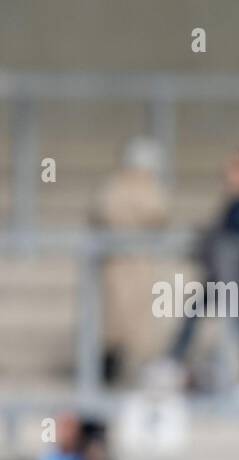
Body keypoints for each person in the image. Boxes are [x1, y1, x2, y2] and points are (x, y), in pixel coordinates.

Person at [156, 149, 239, 409]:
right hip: (219, 275)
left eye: (236, 170)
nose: (229, 176)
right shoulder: (234, 201)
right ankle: (172, 362)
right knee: (193, 313)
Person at [90, 137, 170, 386]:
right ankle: (107, 372)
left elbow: (159, 216)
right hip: (120, 263)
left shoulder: (125, 187)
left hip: (136, 264)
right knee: (116, 325)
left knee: (135, 324)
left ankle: (127, 371)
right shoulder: (120, 188)